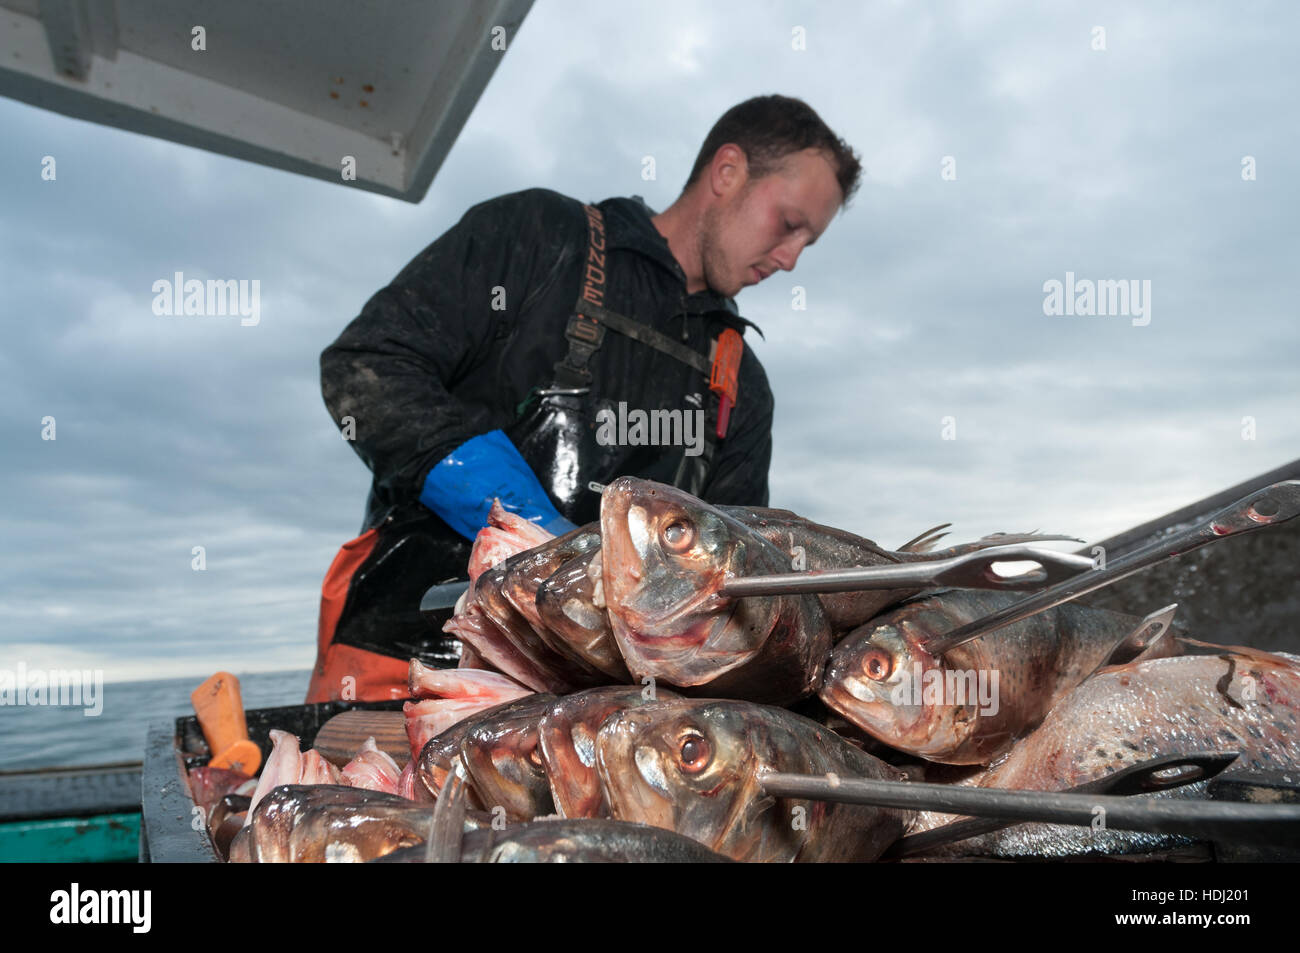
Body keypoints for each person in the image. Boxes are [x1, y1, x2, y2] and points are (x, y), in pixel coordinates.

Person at [305, 94, 861, 703]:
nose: (789, 260)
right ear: (727, 172)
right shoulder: (539, 239)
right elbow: (370, 365)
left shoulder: (741, 383)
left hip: (592, 706)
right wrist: (537, 536)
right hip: (409, 664)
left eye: (808, 244)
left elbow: (728, 578)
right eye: (788, 225)